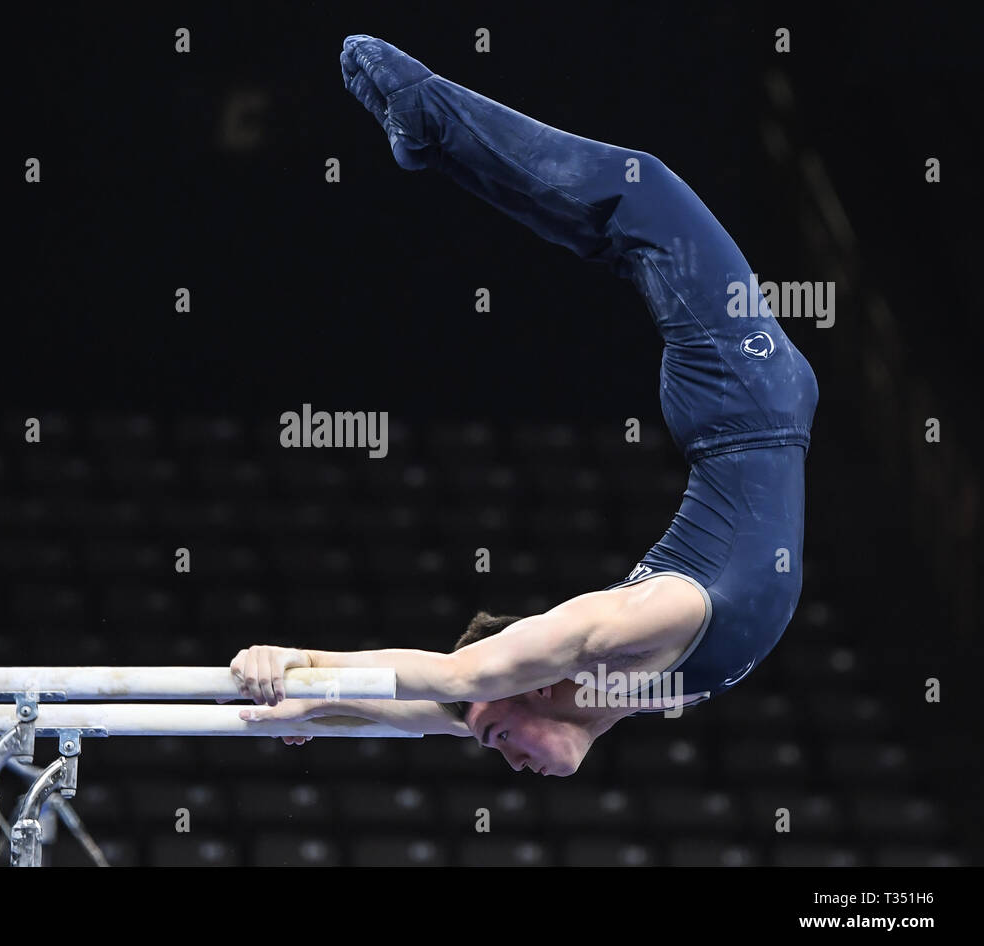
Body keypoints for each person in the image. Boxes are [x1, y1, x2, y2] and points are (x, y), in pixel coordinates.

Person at [229, 36, 818, 776]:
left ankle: (426, 107)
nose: (504, 759)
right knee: (623, 226)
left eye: (493, 737)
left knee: (641, 197)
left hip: (746, 402)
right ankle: (432, 136)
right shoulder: (604, 686)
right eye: (495, 738)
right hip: (759, 406)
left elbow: (455, 686)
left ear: (534, 682)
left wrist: (300, 667)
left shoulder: (626, 629)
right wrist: (316, 694)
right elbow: (445, 702)